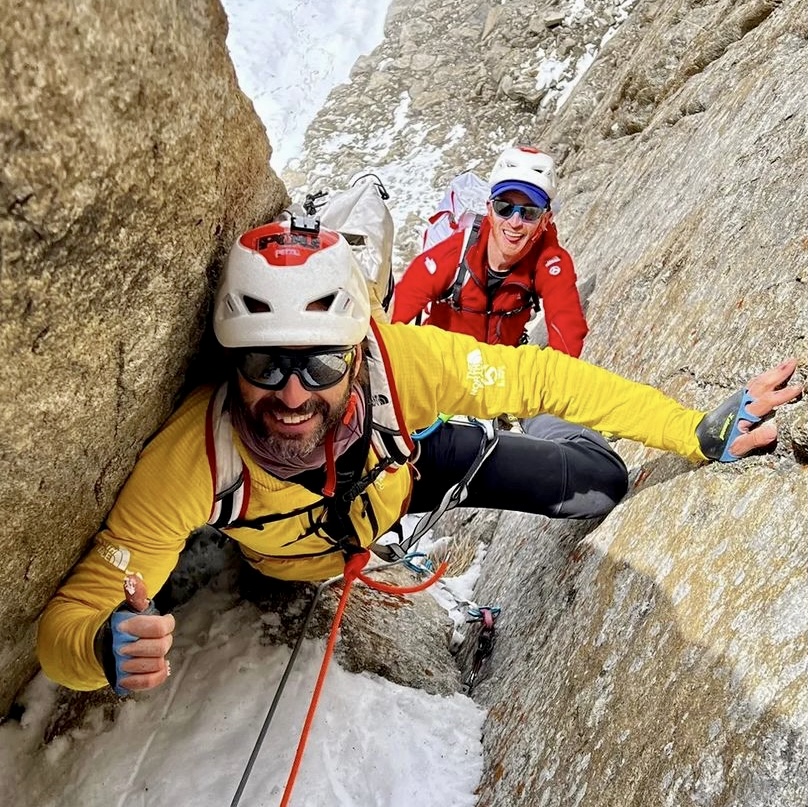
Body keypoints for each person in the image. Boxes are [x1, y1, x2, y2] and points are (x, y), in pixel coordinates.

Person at [37, 219, 801, 694]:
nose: (294, 395)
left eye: (322, 366)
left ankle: (540, 441)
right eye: (265, 365)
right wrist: (103, 647)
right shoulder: (195, 461)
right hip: (322, 538)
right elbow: (69, 620)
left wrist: (689, 430)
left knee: (597, 482)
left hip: (408, 467)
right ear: (230, 361)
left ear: (356, 354)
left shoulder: (401, 364)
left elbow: (544, 374)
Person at [391, 145, 587, 355]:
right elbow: (395, 315)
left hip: (499, 375)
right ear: (489, 210)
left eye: (529, 212)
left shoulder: (548, 261)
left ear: (545, 219)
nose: (515, 222)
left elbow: (567, 329)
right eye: (504, 207)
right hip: (442, 370)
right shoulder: (455, 254)